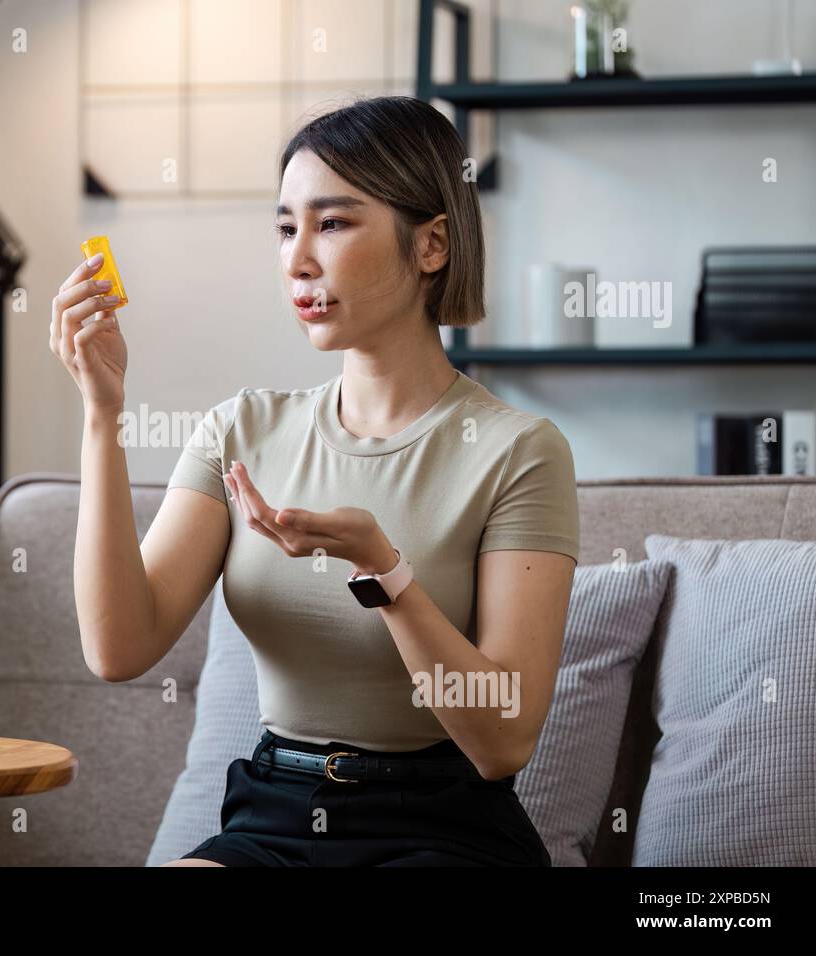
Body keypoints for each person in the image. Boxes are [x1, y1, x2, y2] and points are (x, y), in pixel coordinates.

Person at [49, 95, 578, 867]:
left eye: (332, 224)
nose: (298, 259)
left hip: (442, 827)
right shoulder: (241, 430)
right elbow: (118, 647)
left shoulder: (519, 450)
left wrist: (385, 572)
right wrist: (102, 413)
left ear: (431, 245)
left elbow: (502, 742)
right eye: (285, 227)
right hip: (275, 812)